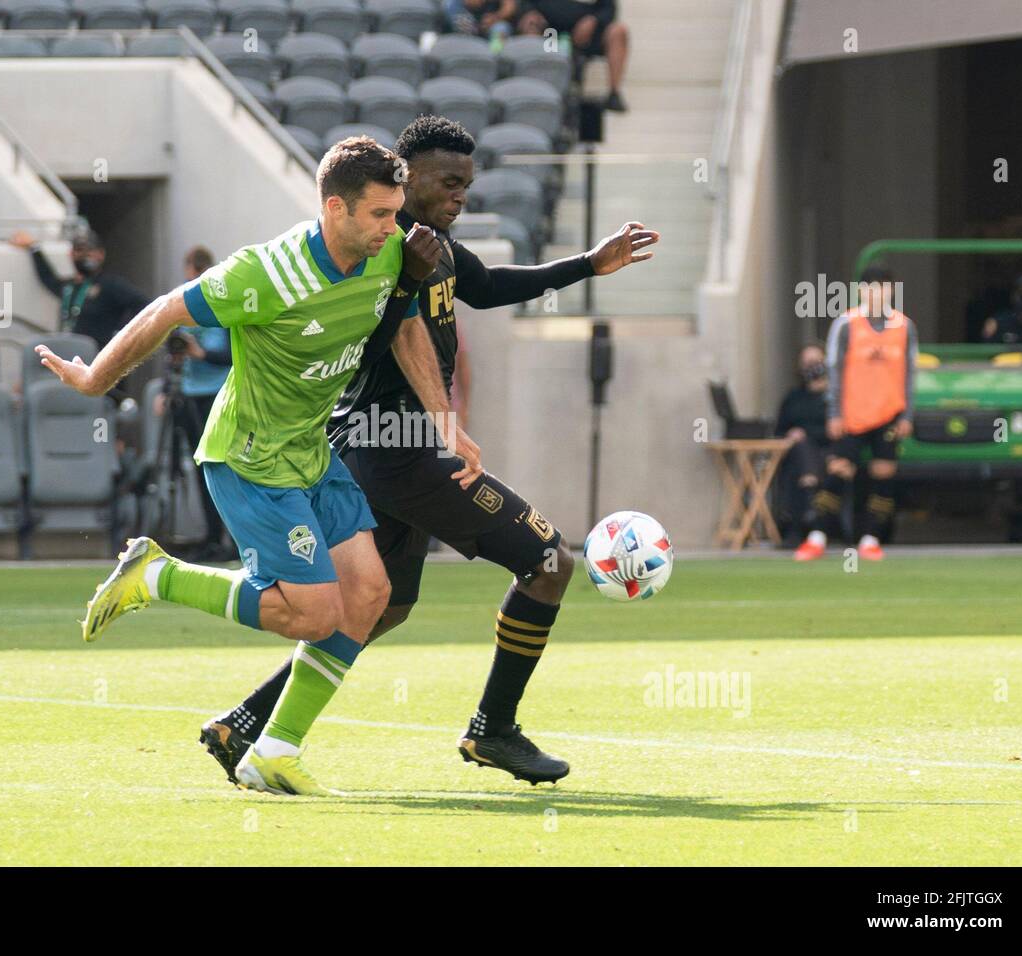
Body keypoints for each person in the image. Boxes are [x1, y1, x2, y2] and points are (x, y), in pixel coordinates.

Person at [201, 115, 659, 786]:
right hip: (399, 449)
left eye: (467, 185)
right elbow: (369, 338)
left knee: (379, 607)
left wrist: (589, 264)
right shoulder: (375, 254)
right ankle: (492, 730)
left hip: (386, 455)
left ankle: (244, 723)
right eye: (448, 182)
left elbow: (492, 286)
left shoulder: (435, 247)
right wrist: (410, 281)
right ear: (403, 178)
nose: (460, 195)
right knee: (550, 562)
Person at [34, 137, 476, 796]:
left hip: (310, 451)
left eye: (396, 212)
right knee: (315, 614)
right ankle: (159, 576)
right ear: (335, 208)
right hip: (250, 460)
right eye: (381, 214)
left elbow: (408, 324)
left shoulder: (385, 257)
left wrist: (443, 418)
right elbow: (164, 311)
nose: (395, 227)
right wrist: (97, 379)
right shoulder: (265, 273)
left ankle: (275, 751)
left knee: (370, 597)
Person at [795, 268, 918, 562]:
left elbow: (910, 374)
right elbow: (834, 371)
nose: (877, 293)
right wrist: (834, 412)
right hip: (852, 414)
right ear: (861, 291)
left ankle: (871, 538)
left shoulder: (904, 326)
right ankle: (817, 536)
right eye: (871, 288)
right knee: (839, 471)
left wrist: (907, 415)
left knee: (883, 476)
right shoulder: (846, 324)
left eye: (883, 288)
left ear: (891, 291)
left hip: (889, 413)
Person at [151, 246, 235, 560]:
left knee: (221, 468)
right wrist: (164, 387)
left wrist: (203, 354)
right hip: (188, 394)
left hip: (217, 394)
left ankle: (230, 540)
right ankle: (211, 537)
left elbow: (234, 355)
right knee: (199, 468)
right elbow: (173, 353)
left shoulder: (225, 309)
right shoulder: (184, 308)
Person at [10, 230, 151, 352]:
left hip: (102, 356)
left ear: (101, 254)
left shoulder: (111, 285)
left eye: (90, 251)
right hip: (71, 354)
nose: (85, 255)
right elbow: (47, 277)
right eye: (79, 251)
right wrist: (34, 248)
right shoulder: (69, 287)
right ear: (71, 254)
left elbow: (144, 304)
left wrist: (122, 334)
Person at [519, 0, 630, 111]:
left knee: (618, 31)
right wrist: (530, 12)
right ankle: (530, 91)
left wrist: (594, 20)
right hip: (548, 29)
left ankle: (613, 94)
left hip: (587, 32)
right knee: (529, 27)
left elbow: (609, 9)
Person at [773, 345, 830, 544]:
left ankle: (798, 527)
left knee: (802, 451)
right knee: (798, 454)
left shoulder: (834, 398)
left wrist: (806, 434)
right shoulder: (793, 397)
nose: (812, 367)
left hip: (827, 452)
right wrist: (792, 435)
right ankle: (809, 516)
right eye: (807, 363)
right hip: (795, 455)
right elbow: (779, 430)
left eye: (816, 361)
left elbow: (837, 431)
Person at [446, 0, 518, 41]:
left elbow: (509, 7)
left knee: (501, 29)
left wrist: (495, 18)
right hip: (469, 22)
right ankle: (467, 43)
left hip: (493, 24)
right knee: (451, 3)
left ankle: (497, 57)